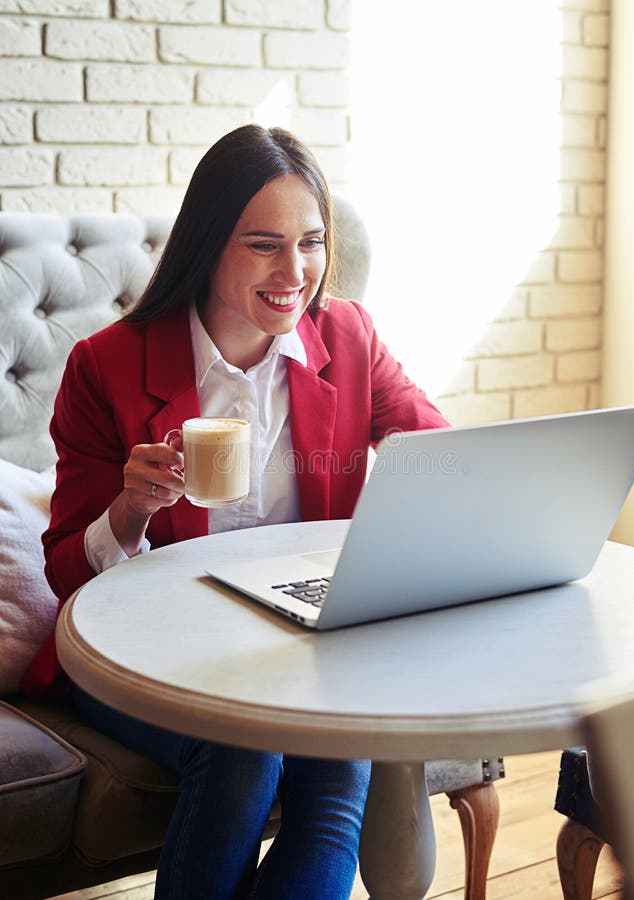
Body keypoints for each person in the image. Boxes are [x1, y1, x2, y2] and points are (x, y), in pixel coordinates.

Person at [21, 124, 449, 900]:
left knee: (338, 755)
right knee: (244, 745)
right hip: (144, 646)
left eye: (311, 242)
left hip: (300, 644)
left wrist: (413, 509)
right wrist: (130, 507)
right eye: (264, 245)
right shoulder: (106, 366)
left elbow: (442, 456)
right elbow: (62, 572)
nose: (297, 273)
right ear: (210, 242)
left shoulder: (347, 337)